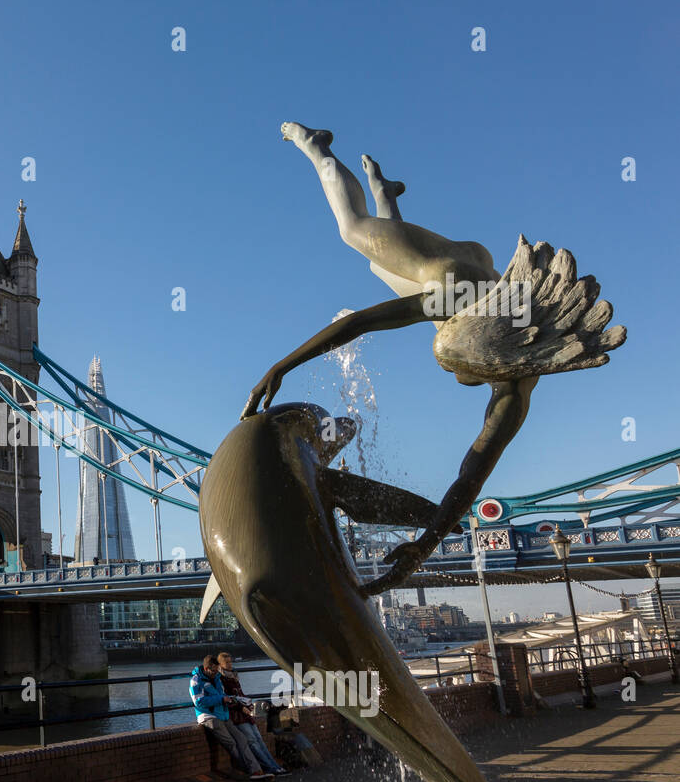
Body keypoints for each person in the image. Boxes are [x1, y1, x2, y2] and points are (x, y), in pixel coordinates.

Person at [245, 123, 625, 595]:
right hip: (457, 267)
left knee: (380, 265)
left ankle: (387, 194)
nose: (451, 374)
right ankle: (316, 145)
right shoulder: (449, 295)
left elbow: (471, 475)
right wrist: (281, 366)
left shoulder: (517, 386)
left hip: (484, 282)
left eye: (456, 367)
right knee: (353, 231)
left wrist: (425, 545)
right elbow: (361, 321)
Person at [189, 655, 272, 781]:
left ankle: (257, 770)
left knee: (242, 739)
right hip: (209, 717)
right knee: (231, 743)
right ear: (206, 668)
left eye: (217, 670)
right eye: (214, 670)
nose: (216, 673)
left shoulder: (217, 678)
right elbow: (198, 701)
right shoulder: (196, 680)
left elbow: (222, 694)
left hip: (223, 714)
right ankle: (247, 771)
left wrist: (233, 699)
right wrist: (221, 699)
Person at [217, 652, 288, 776]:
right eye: (226, 662)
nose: (230, 664)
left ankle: (274, 766)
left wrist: (249, 704)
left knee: (259, 739)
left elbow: (240, 695)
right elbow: (226, 698)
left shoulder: (233, 677)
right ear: (220, 664)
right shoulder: (220, 679)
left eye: (230, 661)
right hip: (236, 716)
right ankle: (269, 767)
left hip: (245, 714)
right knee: (252, 741)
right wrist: (241, 707)